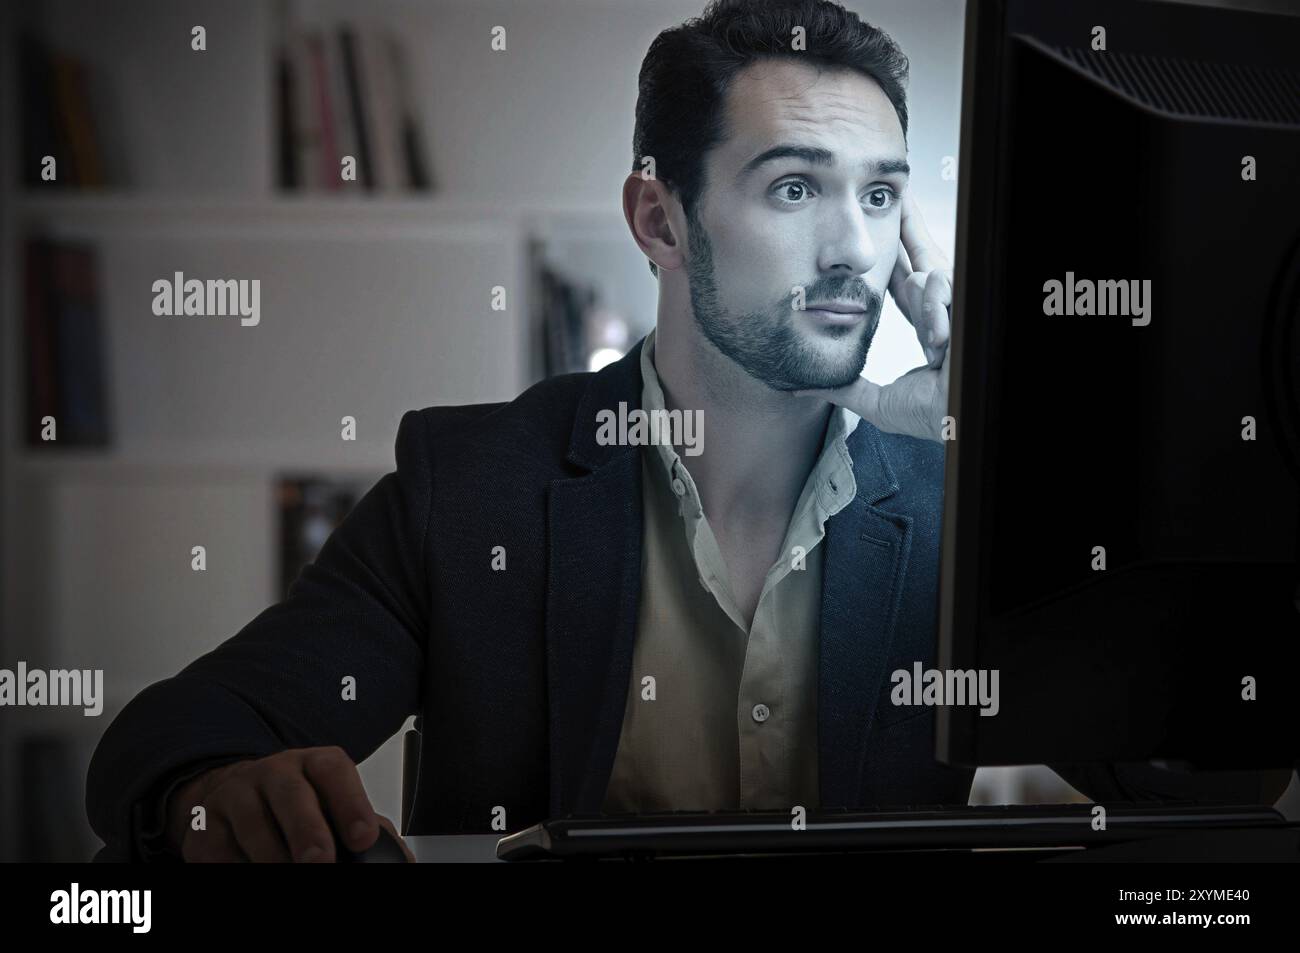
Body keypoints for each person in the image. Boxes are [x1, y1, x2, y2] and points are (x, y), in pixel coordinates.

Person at [86, 0, 1290, 862]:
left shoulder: (952, 508)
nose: (851, 250)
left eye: (877, 193)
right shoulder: (477, 487)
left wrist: (1037, 449)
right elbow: (169, 741)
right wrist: (213, 791)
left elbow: (1210, 783)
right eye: (793, 187)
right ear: (658, 220)